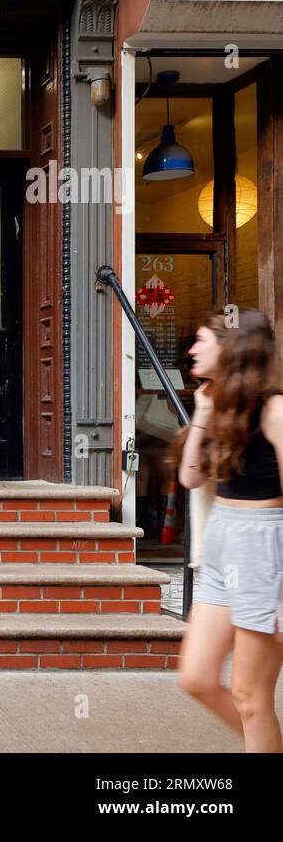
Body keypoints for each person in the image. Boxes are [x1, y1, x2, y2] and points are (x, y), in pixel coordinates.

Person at [172, 308, 283, 753]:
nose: (192, 350)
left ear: (231, 347)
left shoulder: (274, 409)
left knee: (250, 697)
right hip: (223, 538)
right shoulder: (221, 405)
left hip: (264, 543)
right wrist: (201, 413)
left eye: (201, 340)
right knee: (197, 678)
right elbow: (190, 478)